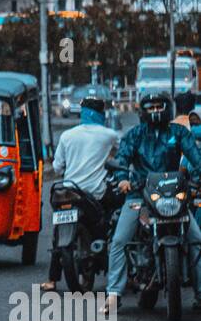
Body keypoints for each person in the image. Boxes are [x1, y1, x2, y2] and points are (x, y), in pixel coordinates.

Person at [105, 90, 201, 308]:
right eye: (151, 107)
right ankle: (113, 293)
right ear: (143, 111)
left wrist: (197, 178)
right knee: (119, 241)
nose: (156, 111)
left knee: (196, 239)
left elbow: (196, 159)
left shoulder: (179, 133)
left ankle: (200, 292)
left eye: (160, 106)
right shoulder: (135, 134)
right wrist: (122, 179)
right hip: (139, 195)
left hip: (174, 196)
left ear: (168, 108)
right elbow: (121, 159)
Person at [44, 95, 120, 290]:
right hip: (96, 192)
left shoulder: (67, 136)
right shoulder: (109, 135)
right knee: (117, 212)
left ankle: (52, 280)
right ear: (101, 113)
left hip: (69, 190)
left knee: (58, 229)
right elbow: (122, 156)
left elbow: (58, 167)